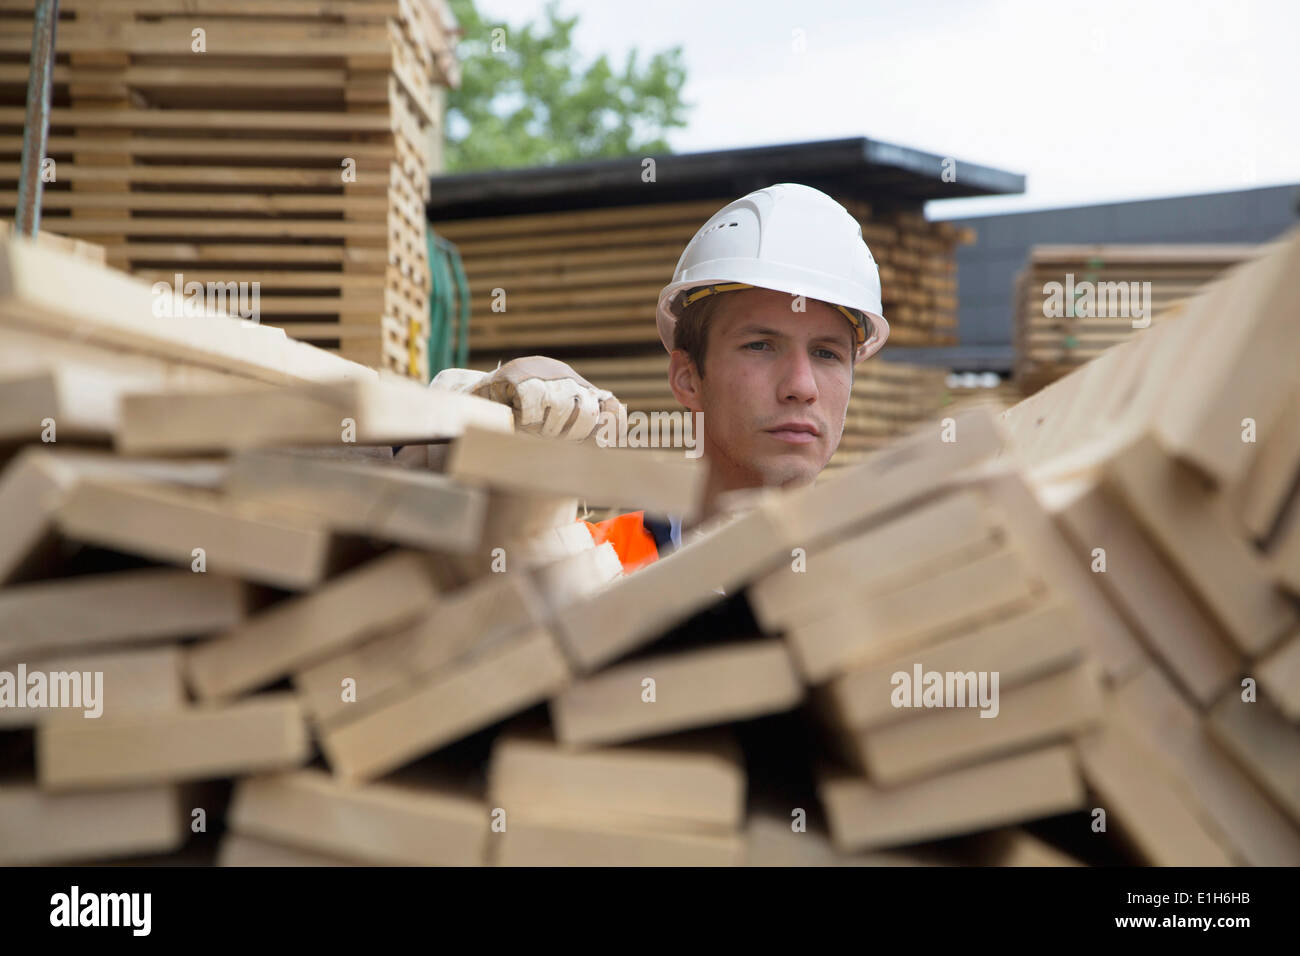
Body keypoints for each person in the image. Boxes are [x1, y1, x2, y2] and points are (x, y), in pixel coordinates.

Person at [429, 183, 889, 571]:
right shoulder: (594, 566)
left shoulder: (891, 586)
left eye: (826, 353)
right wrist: (472, 418)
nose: (801, 386)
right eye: (760, 346)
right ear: (688, 377)